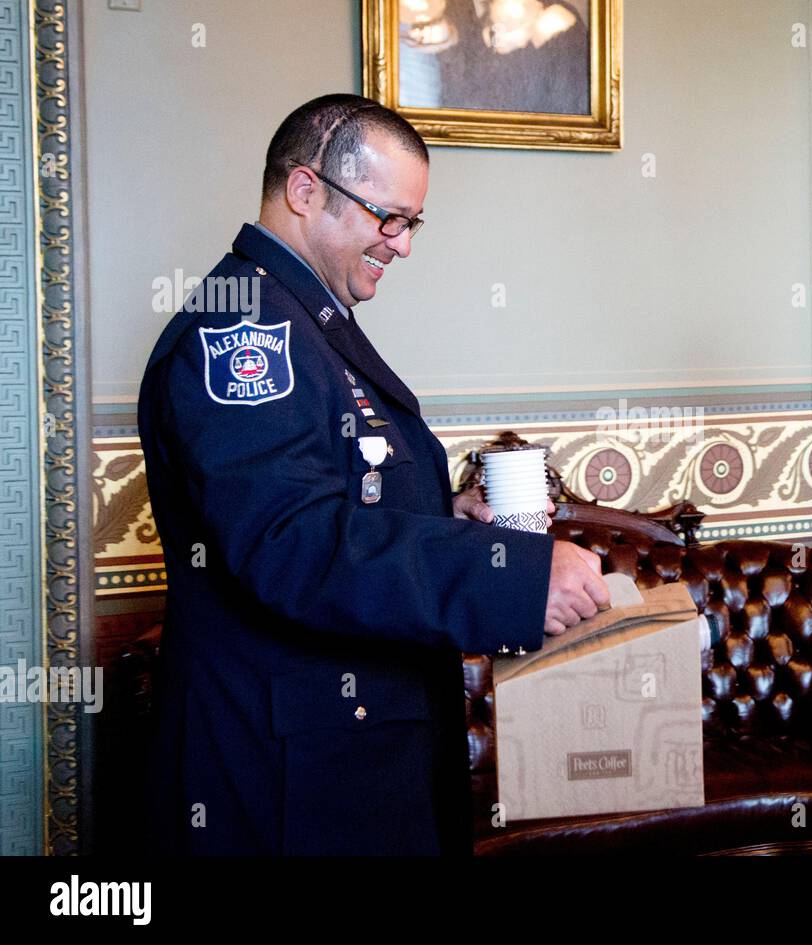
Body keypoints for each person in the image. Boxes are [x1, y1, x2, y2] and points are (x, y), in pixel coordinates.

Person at [137, 94, 609, 855]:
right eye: (388, 217)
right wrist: (511, 576)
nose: (402, 244)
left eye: (412, 223)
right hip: (289, 773)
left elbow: (344, 498)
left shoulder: (306, 319)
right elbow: (292, 542)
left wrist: (449, 515)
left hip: (342, 752)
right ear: (304, 190)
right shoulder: (245, 328)